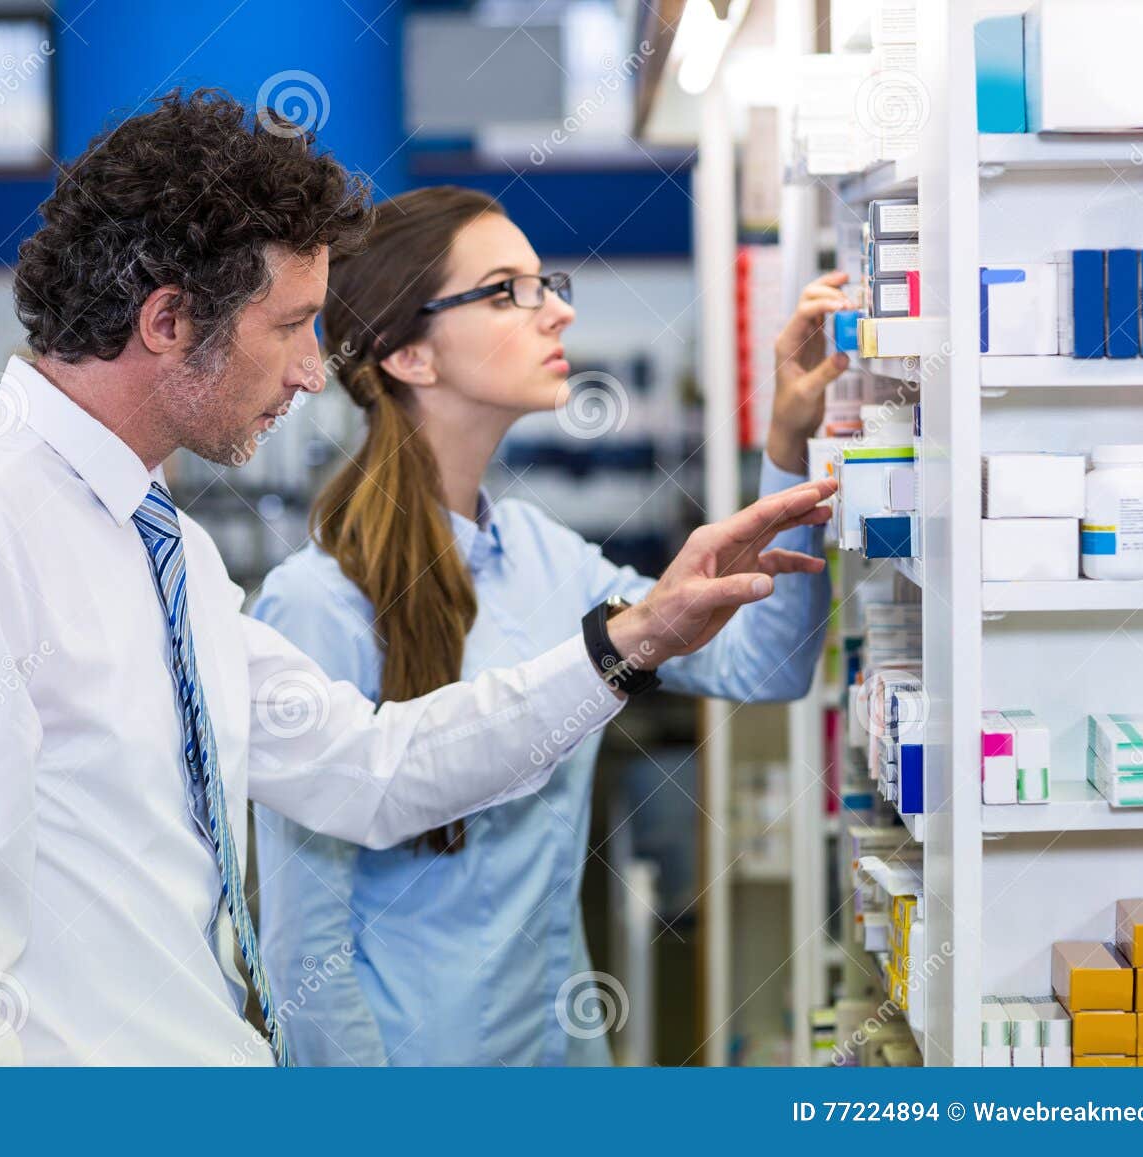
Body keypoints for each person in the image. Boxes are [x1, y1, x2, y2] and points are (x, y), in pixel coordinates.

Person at [0, 91, 836, 1066]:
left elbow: (372, 769)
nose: (314, 372)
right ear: (169, 320)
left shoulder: (156, 541)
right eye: (290, 325)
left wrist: (630, 638)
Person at [252, 186, 850, 1066]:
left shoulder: (542, 556)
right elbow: (304, 954)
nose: (558, 310)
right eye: (508, 290)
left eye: (547, 283)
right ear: (408, 353)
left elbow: (765, 668)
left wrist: (790, 445)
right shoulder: (317, 602)